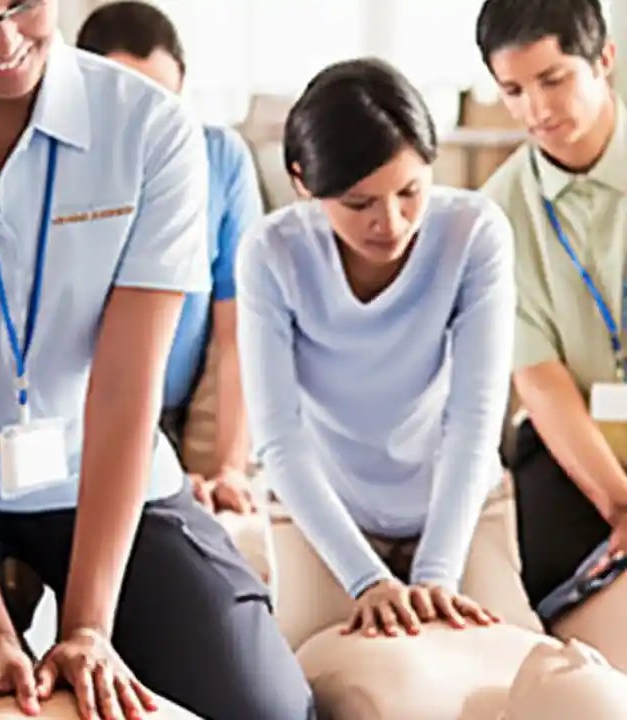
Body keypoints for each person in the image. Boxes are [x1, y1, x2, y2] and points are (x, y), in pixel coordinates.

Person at [0, 2, 313, 719]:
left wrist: (86, 630)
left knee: (266, 707)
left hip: (97, 457)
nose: (5, 39)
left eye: (22, 5)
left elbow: (126, 389)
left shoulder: (149, 128)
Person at [237, 57, 542, 650]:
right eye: (358, 203)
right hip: (326, 512)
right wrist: (366, 578)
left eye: (410, 191)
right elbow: (279, 438)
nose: (391, 222)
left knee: (508, 662)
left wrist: (435, 574)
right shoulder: (272, 254)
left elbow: (474, 419)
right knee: (309, 672)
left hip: (457, 503)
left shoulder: (474, 233)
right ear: (303, 181)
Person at [75, 0, 262, 514]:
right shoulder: (53, 168)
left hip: (184, 411)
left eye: (164, 103)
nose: (150, 126)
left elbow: (235, 334)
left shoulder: (218, 158)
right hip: (79, 420)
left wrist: (228, 468)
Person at [475, 0, 627, 623]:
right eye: (513, 89)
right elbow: (537, 377)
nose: (535, 111)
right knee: (568, 591)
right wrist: (621, 504)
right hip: (573, 439)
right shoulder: (497, 213)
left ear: (605, 60)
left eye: (553, 79)